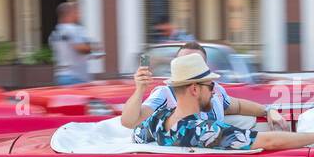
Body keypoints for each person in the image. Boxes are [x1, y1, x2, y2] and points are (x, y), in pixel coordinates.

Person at [133, 53, 314, 150]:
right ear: (195, 89)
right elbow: (268, 141)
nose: (215, 92)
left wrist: (267, 110)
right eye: (211, 86)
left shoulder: (159, 120)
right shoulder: (203, 131)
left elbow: (135, 133)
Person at [120, 41, 288, 130]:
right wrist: (140, 89)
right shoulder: (165, 94)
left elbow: (237, 106)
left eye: (196, 63)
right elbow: (129, 121)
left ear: (206, 68)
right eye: (184, 62)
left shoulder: (215, 92)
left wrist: (268, 111)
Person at [49, 2, 95, 85]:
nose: (79, 15)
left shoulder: (55, 33)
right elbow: (80, 48)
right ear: (69, 14)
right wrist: (91, 47)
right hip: (76, 76)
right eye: (76, 12)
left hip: (61, 76)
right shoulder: (72, 29)